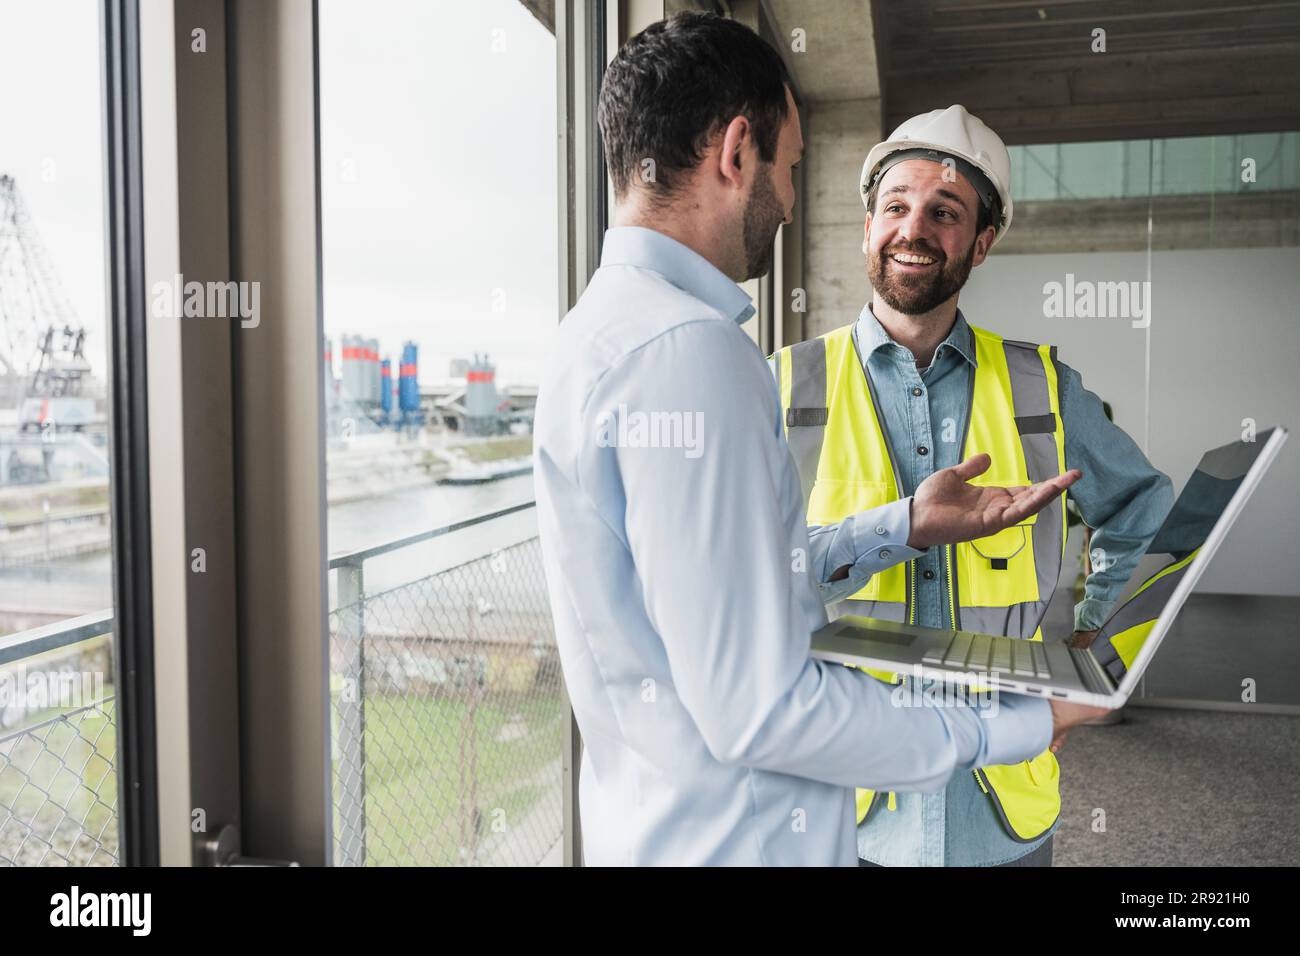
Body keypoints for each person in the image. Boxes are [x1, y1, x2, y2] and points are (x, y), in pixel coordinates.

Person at [533, 11, 1105, 866]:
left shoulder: (599, 337)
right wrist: (1022, 720)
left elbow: (723, 587)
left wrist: (902, 526)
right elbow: (764, 710)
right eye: (790, 166)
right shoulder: (694, 354)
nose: (792, 201)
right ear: (736, 152)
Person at [771, 104, 1174, 866]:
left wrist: (1095, 646)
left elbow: (1147, 512)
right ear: (866, 229)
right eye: (896, 206)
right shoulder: (782, 387)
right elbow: (744, 573)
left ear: (980, 243)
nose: (913, 228)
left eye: (944, 211)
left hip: (1001, 808)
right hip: (843, 807)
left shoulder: (1044, 388)